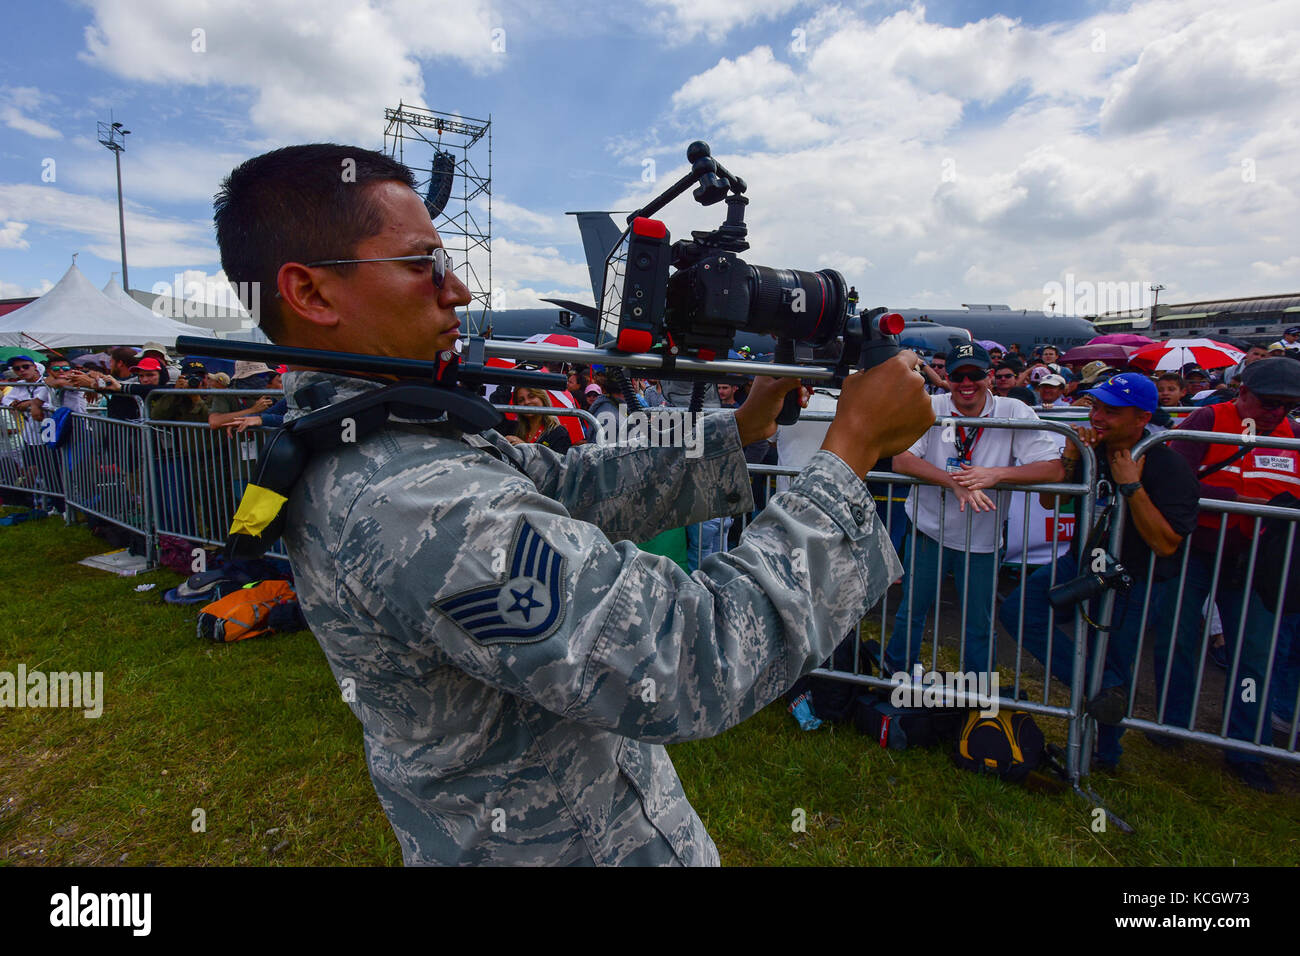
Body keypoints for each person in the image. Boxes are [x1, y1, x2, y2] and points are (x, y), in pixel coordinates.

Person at [211, 143, 935, 866]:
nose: (456, 290)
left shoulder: (388, 439)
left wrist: (740, 428)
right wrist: (850, 455)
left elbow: (569, 485)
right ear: (310, 293)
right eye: (420, 263)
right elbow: (688, 654)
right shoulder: (407, 498)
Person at [999, 373, 1199, 769]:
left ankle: (1105, 753)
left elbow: (1165, 542)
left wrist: (1131, 487)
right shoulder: (1092, 449)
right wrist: (1072, 459)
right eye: (1095, 407)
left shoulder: (1167, 464)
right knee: (1020, 612)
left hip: (1135, 580)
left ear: (1142, 417)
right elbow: (1050, 504)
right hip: (1082, 563)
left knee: (1116, 657)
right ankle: (1102, 686)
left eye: (1111, 410)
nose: (1098, 417)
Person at [1158, 358, 1300, 792]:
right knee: (1178, 639)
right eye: (1269, 401)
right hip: (1197, 551)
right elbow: (1172, 479)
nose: (1277, 411)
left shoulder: (1292, 433)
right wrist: (1231, 499)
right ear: (1242, 391)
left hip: (1256, 560)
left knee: (1252, 657)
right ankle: (1171, 726)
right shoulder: (1207, 417)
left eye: (1287, 404)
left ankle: (1245, 748)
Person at [882, 343, 1063, 678]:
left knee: (978, 620)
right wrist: (953, 482)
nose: (967, 383)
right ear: (947, 378)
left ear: (989, 376)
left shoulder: (1013, 411)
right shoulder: (931, 405)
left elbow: (1053, 468)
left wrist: (997, 474)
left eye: (975, 375)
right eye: (958, 376)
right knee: (912, 609)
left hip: (982, 538)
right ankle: (896, 672)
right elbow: (901, 459)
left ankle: (978, 689)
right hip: (928, 529)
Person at [499, 386, 572, 453]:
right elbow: (496, 412)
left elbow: (559, 464)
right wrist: (508, 380)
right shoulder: (513, 428)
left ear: (542, 398)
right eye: (521, 400)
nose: (526, 402)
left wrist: (526, 448)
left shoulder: (558, 433)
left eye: (531, 396)